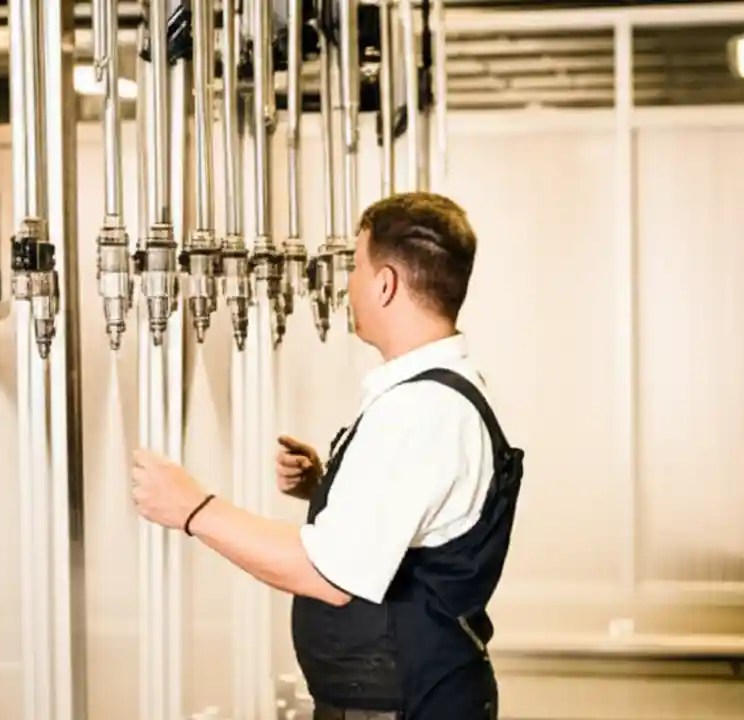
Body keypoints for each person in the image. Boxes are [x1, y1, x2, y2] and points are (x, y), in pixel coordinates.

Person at [130, 192, 525, 719]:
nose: (347, 286)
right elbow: (416, 526)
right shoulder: (430, 397)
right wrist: (324, 489)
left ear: (386, 284)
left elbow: (329, 575)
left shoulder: (422, 409)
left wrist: (192, 509)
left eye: (355, 267)